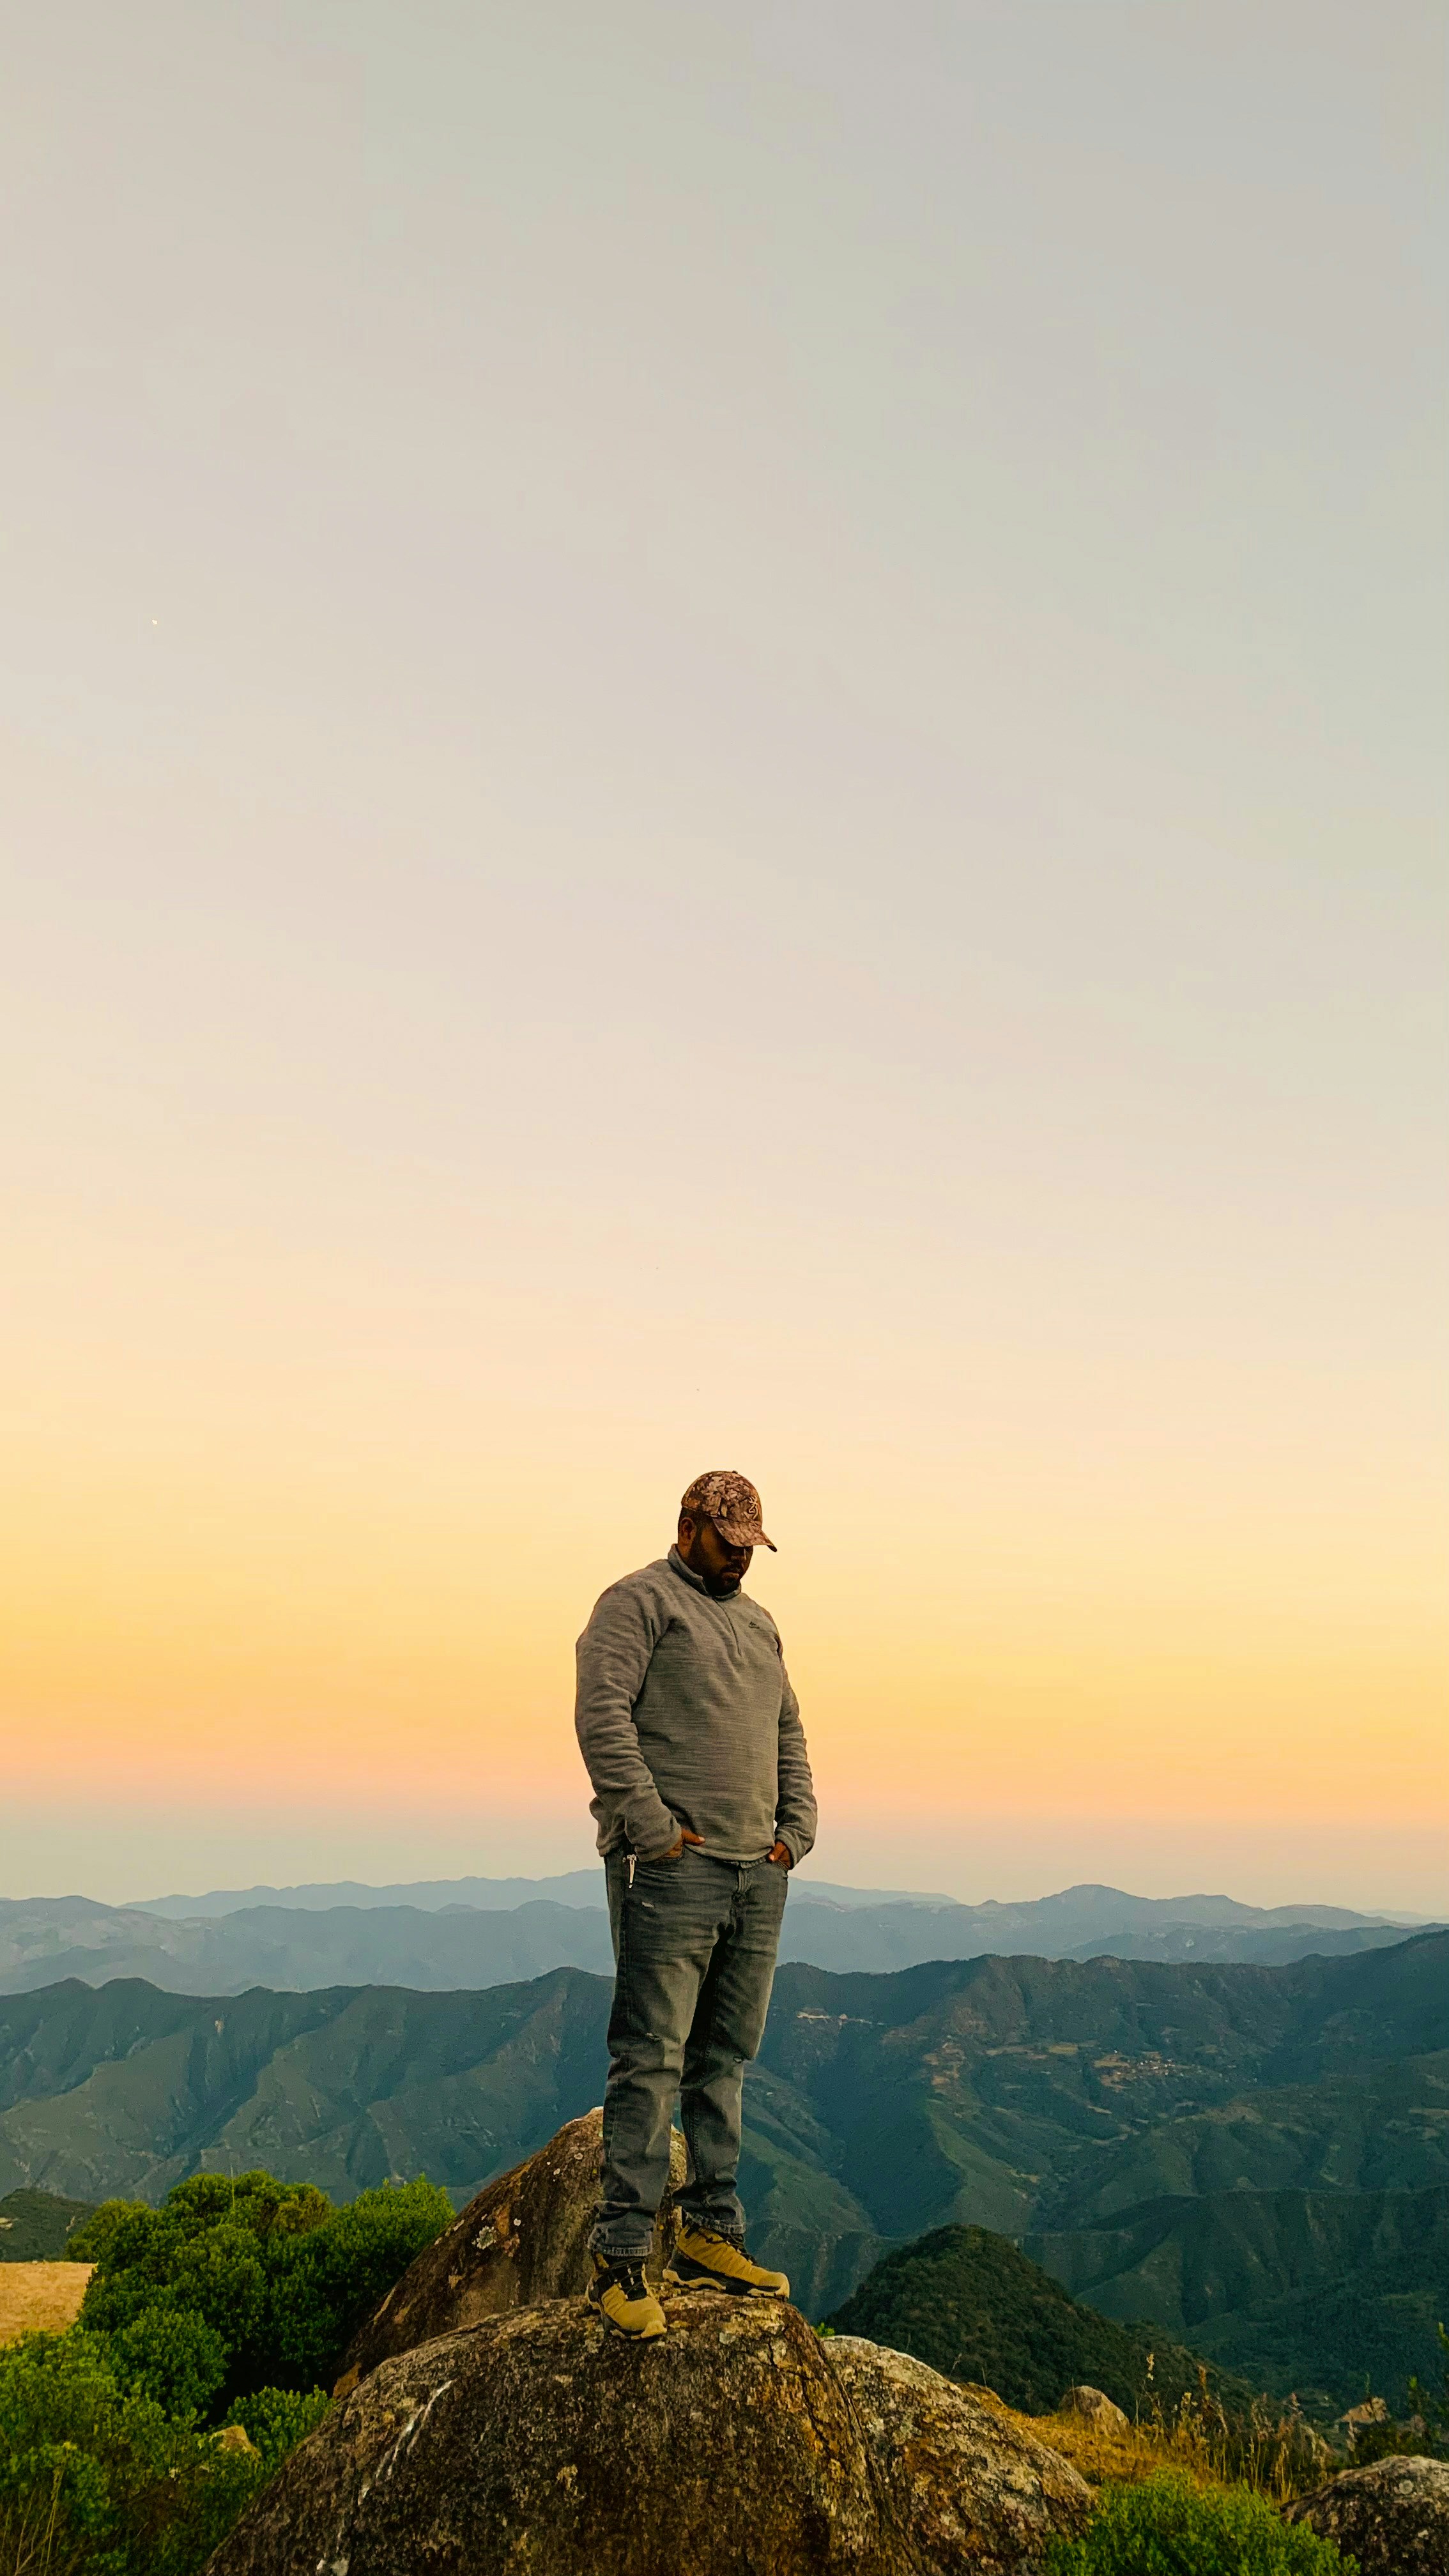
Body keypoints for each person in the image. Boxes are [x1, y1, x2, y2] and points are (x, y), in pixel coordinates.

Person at [573, 1469, 817, 2339]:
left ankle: (712, 2234)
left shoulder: (759, 1623)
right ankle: (620, 2257)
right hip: (674, 1871)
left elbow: (787, 1729)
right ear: (687, 1526)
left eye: (752, 1548)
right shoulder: (635, 1604)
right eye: (727, 1542)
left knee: (726, 2057)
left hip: (759, 1871)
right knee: (651, 2056)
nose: (741, 1561)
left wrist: (797, 1829)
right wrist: (652, 1831)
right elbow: (602, 1717)